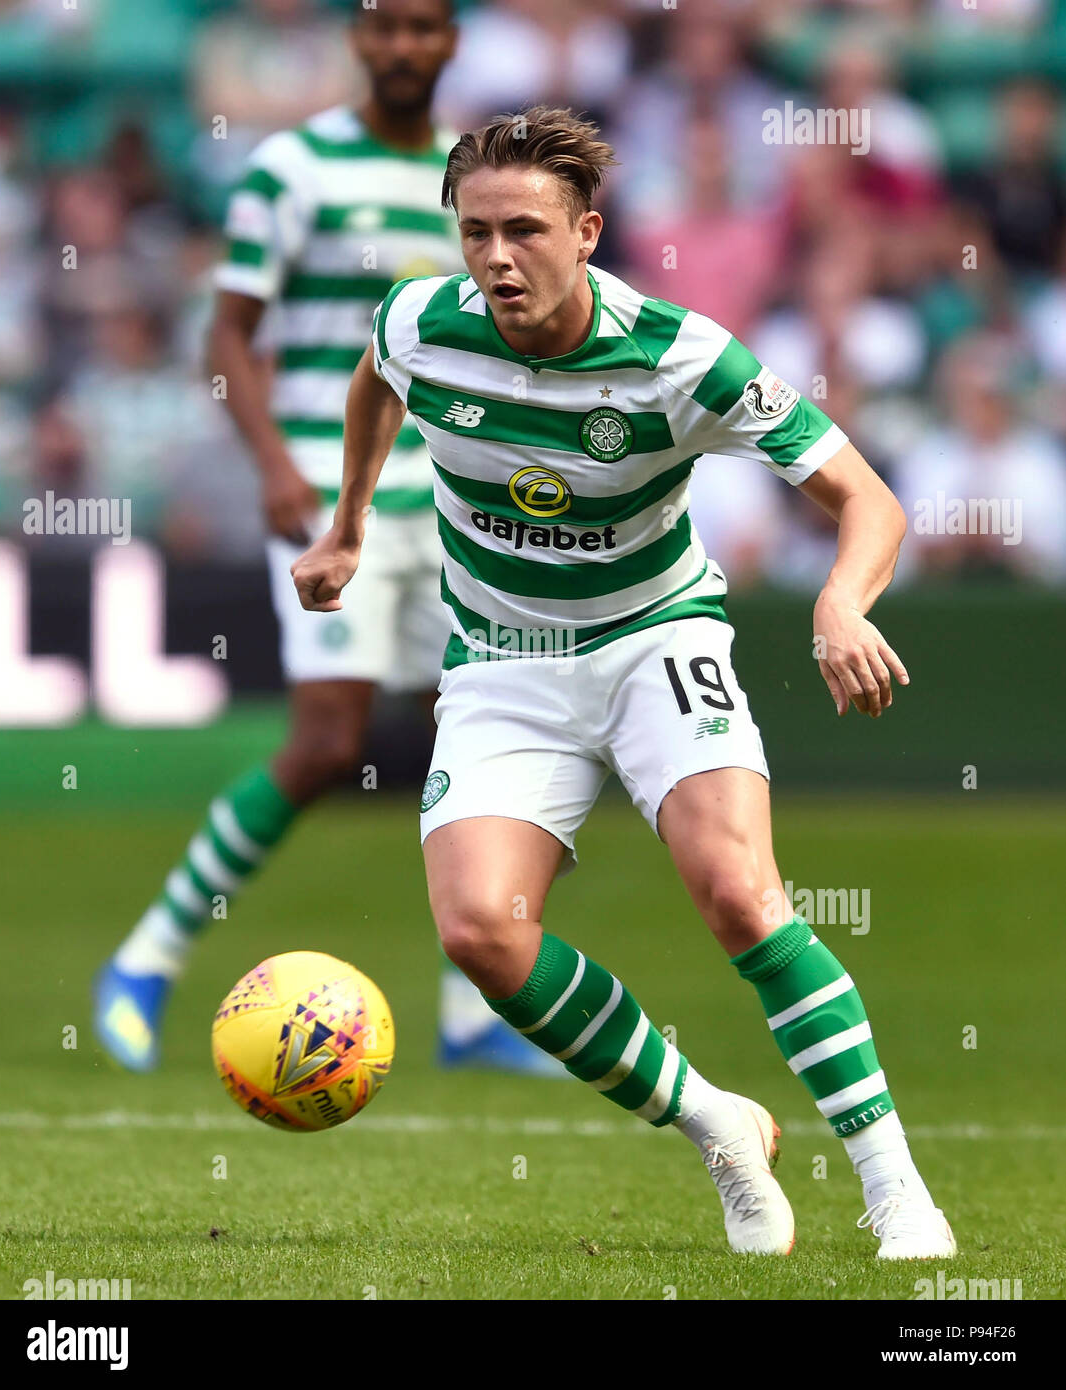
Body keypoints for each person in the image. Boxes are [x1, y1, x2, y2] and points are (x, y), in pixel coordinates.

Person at [292, 105, 958, 1259]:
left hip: (656, 639)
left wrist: (841, 599)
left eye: (525, 231)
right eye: (475, 232)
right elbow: (374, 385)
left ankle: (895, 1186)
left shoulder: (681, 357)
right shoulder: (418, 321)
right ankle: (718, 1122)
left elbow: (870, 499)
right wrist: (346, 527)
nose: (496, 257)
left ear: (588, 231)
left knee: (742, 895)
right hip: (502, 663)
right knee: (481, 935)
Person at [94, 0, 558, 1077]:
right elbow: (228, 327)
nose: (403, 46)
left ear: (451, 43)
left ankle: (474, 1009)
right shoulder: (291, 167)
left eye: (424, 28)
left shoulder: (475, 179)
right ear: (360, 41)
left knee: (517, 731)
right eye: (385, 27)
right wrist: (266, 464)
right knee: (326, 743)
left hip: (458, 493)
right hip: (326, 488)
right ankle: (146, 954)